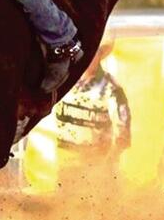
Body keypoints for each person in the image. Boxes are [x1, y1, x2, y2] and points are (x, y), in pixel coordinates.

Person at [53, 42, 131, 175]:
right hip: (67, 159)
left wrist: (112, 158)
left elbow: (123, 127)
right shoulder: (61, 80)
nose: (87, 59)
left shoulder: (110, 87)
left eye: (93, 54)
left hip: (97, 160)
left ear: (99, 56)